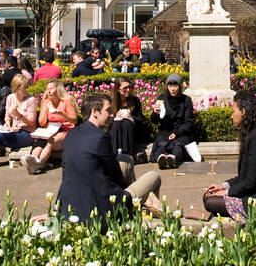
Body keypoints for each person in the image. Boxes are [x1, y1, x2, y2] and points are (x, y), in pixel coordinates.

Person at [56, 94, 163, 225]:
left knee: (124, 159)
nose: (112, 114)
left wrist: (57, 208)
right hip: (100, 210)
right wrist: (125, 195)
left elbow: (66, 174)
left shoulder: (71, 134)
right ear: (94, 112)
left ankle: (136, 209)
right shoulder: (101, 137)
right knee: (154, 177)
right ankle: (145, 216)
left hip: (72, 204)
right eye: (108, 110)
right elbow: (115, 175)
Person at [202, 90, 256, 221]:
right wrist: (223, 186)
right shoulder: (251, 134)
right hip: (253, 193)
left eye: (233, 111)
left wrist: (225, 193)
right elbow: (244, 177)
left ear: (243, 112)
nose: (232, 116)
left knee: (210, 202)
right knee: (208, 196)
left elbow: (251, 181)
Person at [24, 78, 78, 174]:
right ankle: (32, 161)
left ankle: (39, 164)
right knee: (39, 142)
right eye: (47, 89)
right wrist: (45, 110)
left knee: (51, 141)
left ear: (58, 89)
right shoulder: (45, 102)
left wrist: (61, 113)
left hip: (64, 130)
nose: (48, 91)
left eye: (51, 88)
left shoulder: (67, 101)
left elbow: (74, 120)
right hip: (50, 129)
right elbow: (41, 123)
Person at [150, 74, 194, 168]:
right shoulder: (162, 99)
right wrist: (155, 112)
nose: (173, 89)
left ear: (180, 86)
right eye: (170, 86)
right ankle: (161, 160)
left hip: (180, 133)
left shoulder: (186, 100)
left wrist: (177, 132)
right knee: (161, 147)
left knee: (177, 147)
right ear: (167, 86)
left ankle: (173, 159)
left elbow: (189, 122)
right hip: (165, 132)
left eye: (175, 85)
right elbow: (154, 120)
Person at [108, 78, 150, 159]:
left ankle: (127, 153)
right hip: (116, 129)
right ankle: (114, 153)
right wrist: (114, 116)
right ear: (118, 90)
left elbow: (141, 119)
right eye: (125, 88)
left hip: (132, 130)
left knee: (127, 122)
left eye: (129, 87)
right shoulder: (111, 101)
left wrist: (131, 117)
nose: (128, 90)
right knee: (116, 123)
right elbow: (106, 120)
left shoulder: (134, 100)